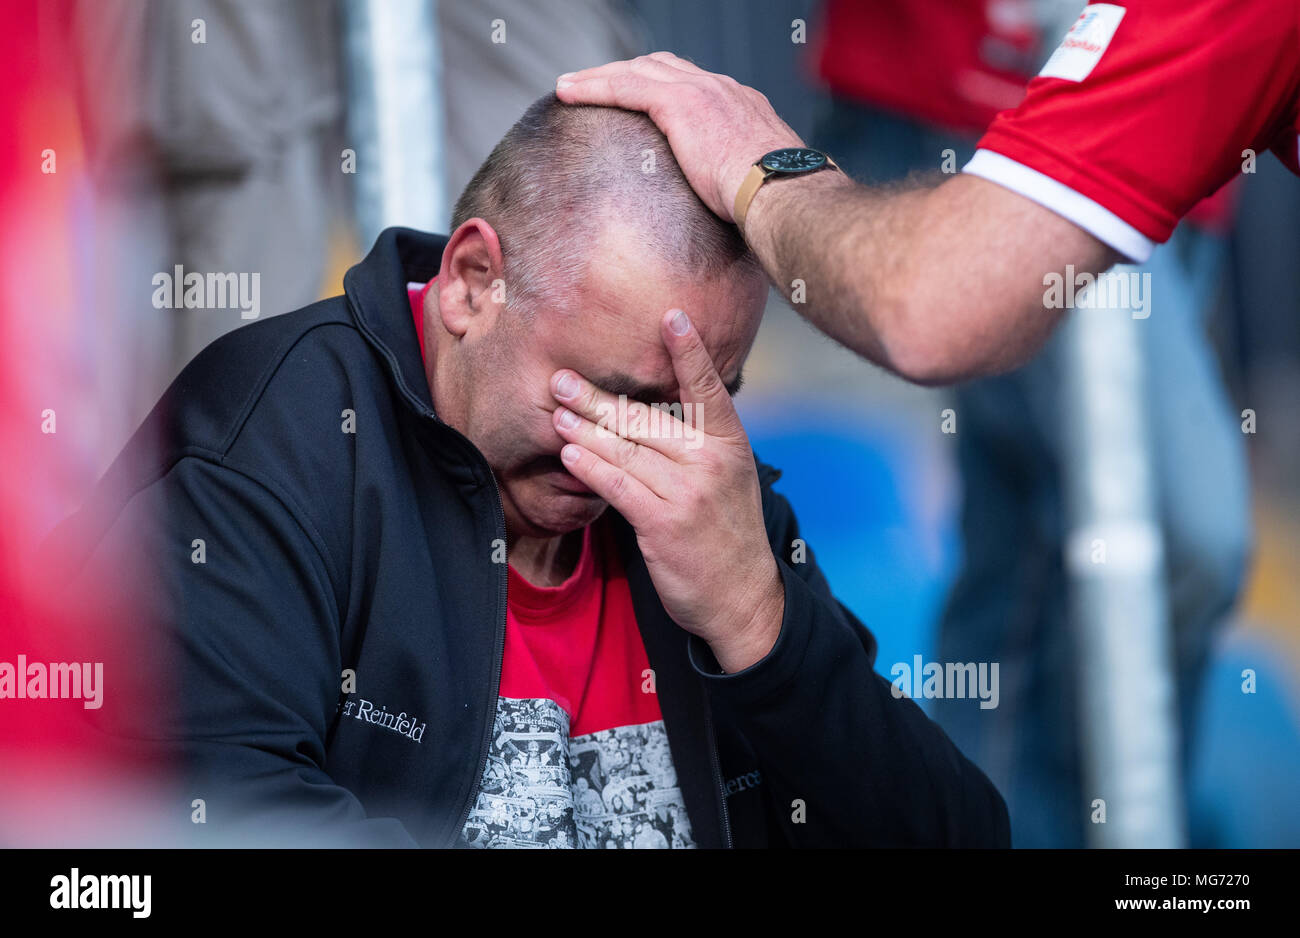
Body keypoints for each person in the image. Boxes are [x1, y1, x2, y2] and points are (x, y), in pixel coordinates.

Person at [50, 94, 1010, 848]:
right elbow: (208, 824)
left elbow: (953, 835)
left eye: (696, 403)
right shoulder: (270, 454)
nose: (641, 445)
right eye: (607, 393)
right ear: (472, 284)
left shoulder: (700, 484)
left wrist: (761, 630)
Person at [806, 0, 1250, 846]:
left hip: (1194, 109)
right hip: (991, 92)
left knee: (1030, 544)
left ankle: (1005, 819)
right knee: (1160, 530)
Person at [554, 0, 1300, 382]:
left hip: (1066, 162)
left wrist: (753, 158)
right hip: (945, 105)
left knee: (1174, 533)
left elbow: (927, 306)